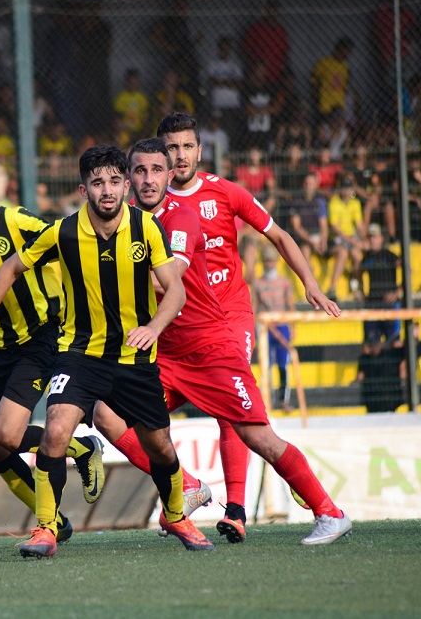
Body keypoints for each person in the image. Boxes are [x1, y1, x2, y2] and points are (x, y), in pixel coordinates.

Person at [0, 145, 212, 557]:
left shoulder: (147, 229)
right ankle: (45, 529)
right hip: (79, 354)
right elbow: (10, 268)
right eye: (97, 183)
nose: (106, 190)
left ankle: (177, 515)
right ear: (83, 189)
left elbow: (176, 290)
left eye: (113, 181)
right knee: (56, 431)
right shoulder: (64, 231)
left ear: (126, 186)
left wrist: (153, 327)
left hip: (134, 357)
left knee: (160, 446)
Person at [92, 138, 351, 545]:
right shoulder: (126, 222)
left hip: (209, 348)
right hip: (163, 355)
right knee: (105, 414)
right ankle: (190, 486)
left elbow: (169, 279)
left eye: (156, 170)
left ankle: (329, 512)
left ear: (169, 174)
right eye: (139, 171)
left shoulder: (181, 217)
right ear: (127, 180)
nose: (148, 179)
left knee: (258, 436)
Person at [158, 112, 339, 542]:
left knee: (233, 414)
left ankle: (236, 509)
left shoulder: (226, 193)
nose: (180, 155)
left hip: (230, 317)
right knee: (132, 416)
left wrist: (310, 284)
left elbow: (278, 236)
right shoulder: (148, 204)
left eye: (187, 147)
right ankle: (184, 489)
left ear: (200, 151)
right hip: (178, 328)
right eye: (171, 148)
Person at [0, 150, 104, 546]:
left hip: (40, 335)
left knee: (8, 435)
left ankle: (79, 446)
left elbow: (65, 237)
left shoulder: (15, 220)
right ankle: (56, 521)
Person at [252, 247, 297, 413]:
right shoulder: (258, 283)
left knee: (283, 365)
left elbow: (290, 304)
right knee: (267, 366)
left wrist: (292, 326)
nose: (269, 264)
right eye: (266, 261)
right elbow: (254, 307)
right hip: (265, 328)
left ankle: (284, 401)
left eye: (271, 261)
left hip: (282, 325)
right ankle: (267, 401)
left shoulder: (284, 282)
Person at [357, 223, 402, 346]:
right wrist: (360, 291)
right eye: (370, 237)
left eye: (375, 237)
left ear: (381, 238)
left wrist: (397, 292)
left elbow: (407, 269)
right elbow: (358, 273)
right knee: (371, 346)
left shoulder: (388, 255)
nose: (372, 240)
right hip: (372, 304)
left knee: (395, 342)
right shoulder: (366, 258)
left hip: (389, 304)